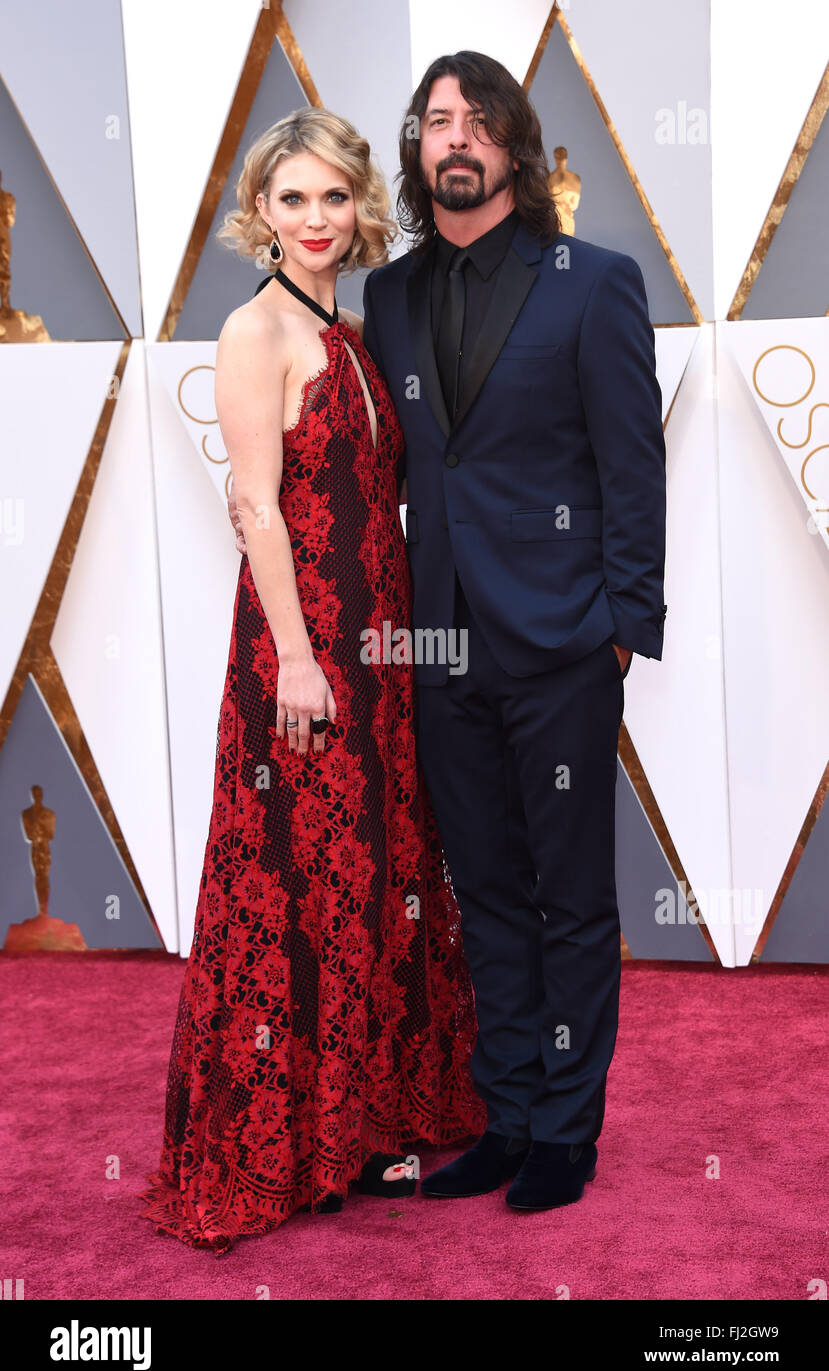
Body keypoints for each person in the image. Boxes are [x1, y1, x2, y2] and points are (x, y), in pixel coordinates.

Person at [231, 53, 667, 1213]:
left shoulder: (596, 280)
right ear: (416, 154)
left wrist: (622, 629)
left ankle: (567, 1130)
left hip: (565, 645)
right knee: (480, 889)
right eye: (433, 123)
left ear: (514, 143)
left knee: (571, 897)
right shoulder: (394, 297)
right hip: (438, 650)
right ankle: (508, 1113)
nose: (453, 138)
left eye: (476, 119)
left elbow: (634, 467)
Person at [140, 107, 486, 1256]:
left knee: (382, 863)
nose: (317, 218)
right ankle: (292, 1137)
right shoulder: (255, 330)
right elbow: (254, 505)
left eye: (334, 195)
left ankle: (369, 1114)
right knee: (301, 873)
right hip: (306, 642)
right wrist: (294, 654)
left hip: (381, 638)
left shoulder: (357, 317)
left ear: (358, 202)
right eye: (293, 199)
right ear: (261, 211)